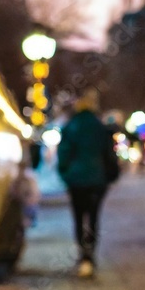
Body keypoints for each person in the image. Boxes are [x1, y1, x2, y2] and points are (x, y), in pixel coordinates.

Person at [57, 89, 119, 278]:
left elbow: (63, 154)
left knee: (78, 216)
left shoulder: (70, 126)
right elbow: (109, 155)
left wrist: (66, 174)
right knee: (93, 216)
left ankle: (81, 253)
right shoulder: (100, 126)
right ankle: (90, 256)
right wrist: (109, 176)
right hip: (96, 179)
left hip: (76, 180)